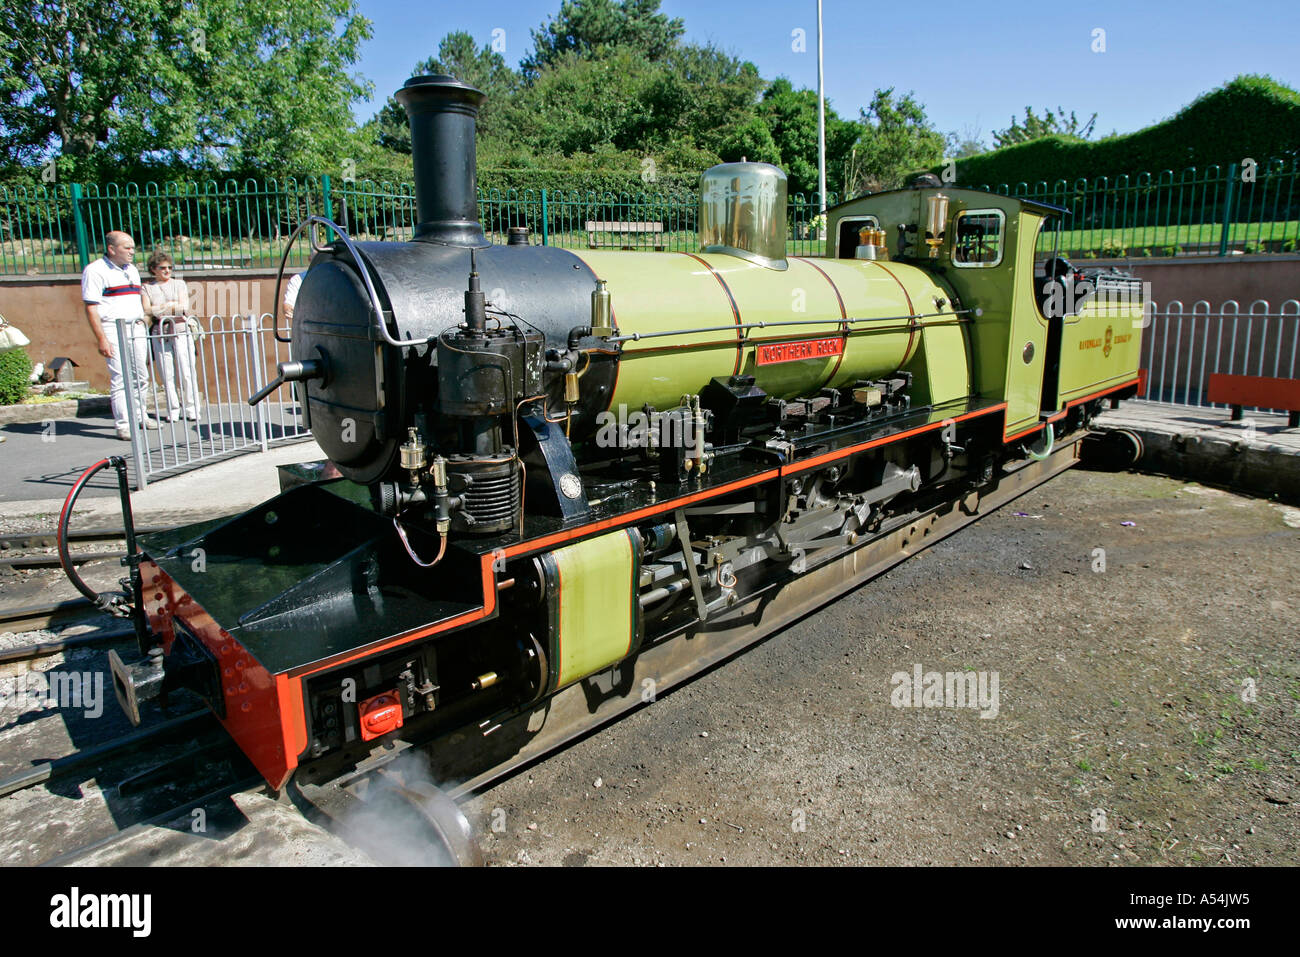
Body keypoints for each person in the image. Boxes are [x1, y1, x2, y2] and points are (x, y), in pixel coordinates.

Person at [82, 231, 157, 440]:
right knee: (121, 378)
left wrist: (144, 321)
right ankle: (124, 424)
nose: (132, 251)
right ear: (112, 249)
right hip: (113, 328)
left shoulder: (132, 270)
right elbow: (91, 308)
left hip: (136, 327)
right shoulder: (95, 271)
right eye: (127, 247)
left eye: (133, 247)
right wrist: (102, 339)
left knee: (141, 375)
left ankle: (140, 415)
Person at [141, 251, 200, 422]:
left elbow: (183, 306)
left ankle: (192, 408)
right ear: (153, 269)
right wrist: (169, 306)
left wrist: (160, 307)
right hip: (160, 331)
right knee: (166, 373)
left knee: (187, 370)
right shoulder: (147, 288)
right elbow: (146, 309)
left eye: (169, 267)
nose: (167, 271)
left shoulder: (179, 284)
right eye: (162, 268)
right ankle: (173, 409)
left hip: (180, 329)